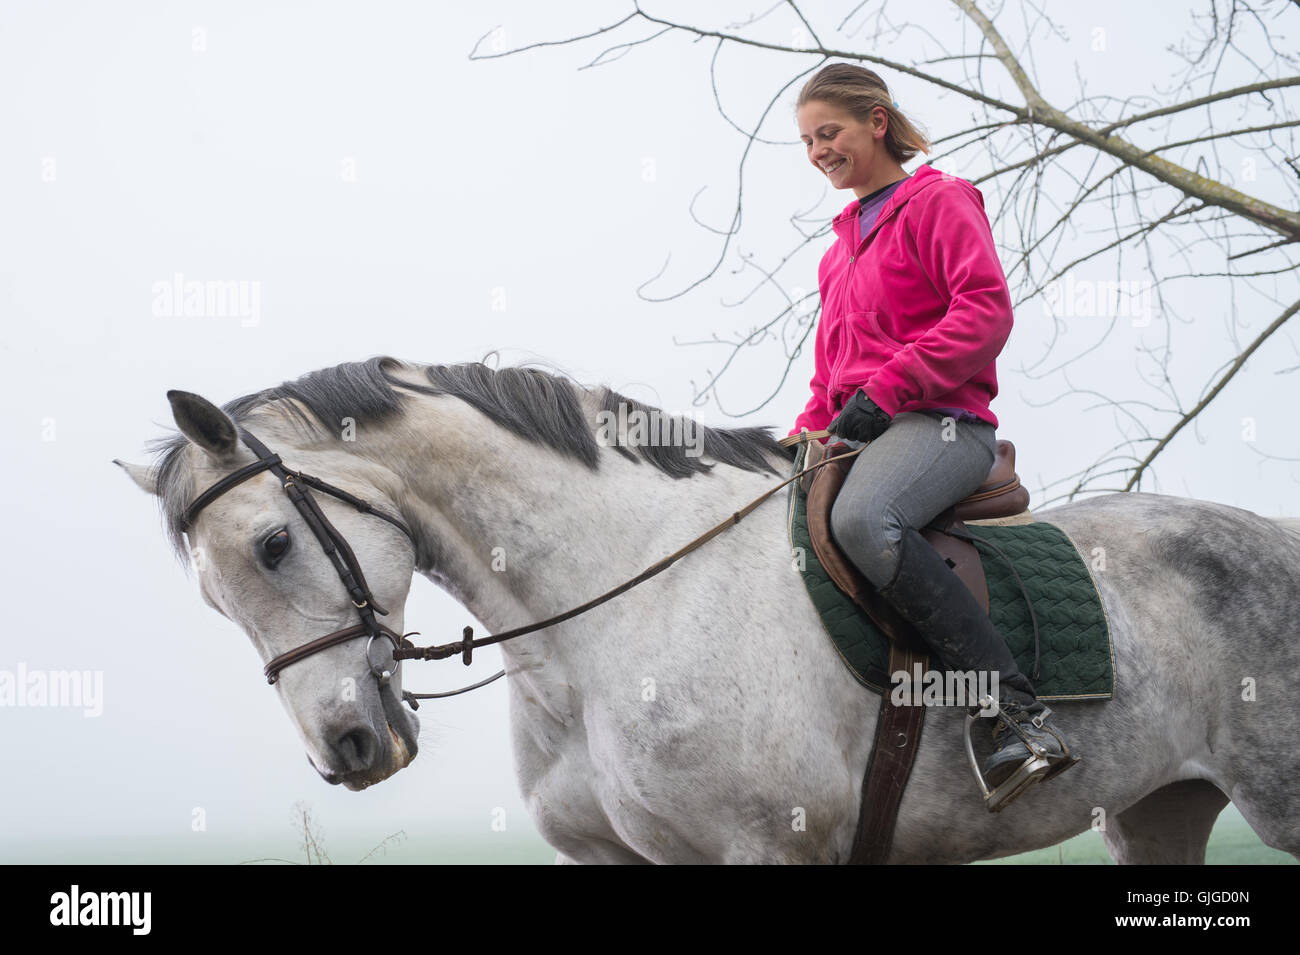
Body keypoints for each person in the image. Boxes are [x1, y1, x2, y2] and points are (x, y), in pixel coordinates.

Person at [790, 63, 1077, 793]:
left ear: (876, 123)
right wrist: (803, 436)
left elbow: (984, 311)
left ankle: (1013, 713)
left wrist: (889, 390)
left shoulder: (938, 201)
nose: (819, 150)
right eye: (807, 141)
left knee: (863, 518)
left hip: (944, 425)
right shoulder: (836, 252)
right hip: (870, 429)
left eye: (831, 132)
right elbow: (832, 376)